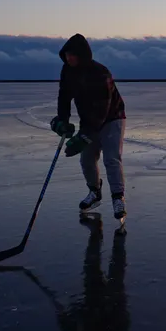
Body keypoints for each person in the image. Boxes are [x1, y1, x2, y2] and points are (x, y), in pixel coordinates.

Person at [50, 33, 128, 220]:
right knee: (87, 159)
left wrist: (84, 136)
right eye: (67, 55)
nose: (69, 58)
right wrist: (63, 120)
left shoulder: (100, 73)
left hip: (112, 118)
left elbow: (102, 110)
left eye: (73, 55)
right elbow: (64, 96)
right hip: (88, 119)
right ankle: (95, 192)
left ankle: (118, 198)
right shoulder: (67, 71)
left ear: (82, 55)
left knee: (111, 159)